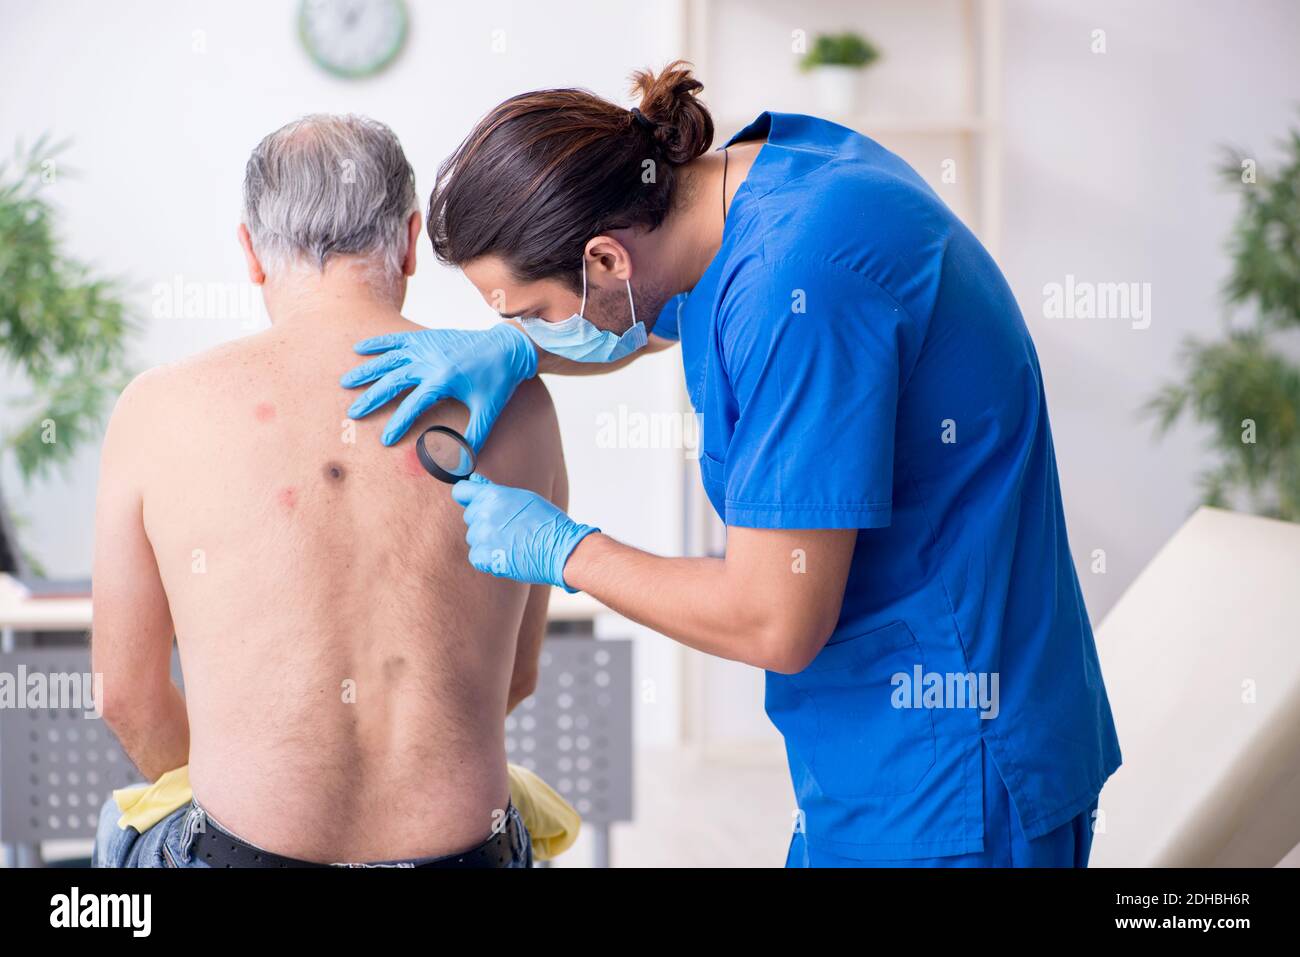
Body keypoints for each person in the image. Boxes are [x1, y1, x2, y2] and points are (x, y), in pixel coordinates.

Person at [342, 63, 1122, 867]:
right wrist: (512, 348)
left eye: (534, 311)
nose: (538, 331)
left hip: (954, 760)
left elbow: (773, 619)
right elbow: (659, 315)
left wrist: (566, 548)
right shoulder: (748, 187)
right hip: (886, 730)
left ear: (606, 259)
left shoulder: (799, 283)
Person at [91, 114, 569, 868]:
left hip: (241, 855)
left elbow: (124, 694)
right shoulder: (521, 405)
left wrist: (252, 792)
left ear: (250, 251)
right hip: (465, 852)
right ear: (411, 240)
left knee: (116, 843)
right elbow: (517, 675)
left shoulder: (158, 408)